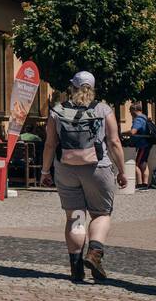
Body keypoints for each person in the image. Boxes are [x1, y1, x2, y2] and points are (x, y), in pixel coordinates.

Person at [40, 71, 127, 282]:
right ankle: (94, 252)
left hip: (66, 168)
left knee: (75, 216)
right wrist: (122, 171)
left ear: (72, 87)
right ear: (93, 87)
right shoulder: (103, 109)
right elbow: (114, 142)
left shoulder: (57, 111)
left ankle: (76, 267)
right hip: (97, 167)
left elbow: (51, 143)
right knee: (101, 214)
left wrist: (45, 171)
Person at [128, 104, 156, 188]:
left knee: (136, 164)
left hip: (142, 145)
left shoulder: (138, 120)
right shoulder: (145, 117)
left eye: (130, 110)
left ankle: (140, 184)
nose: (130, 113)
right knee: (144, 163)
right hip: (148, 144)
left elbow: (133, 132)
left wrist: (122, 133)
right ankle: (145, 183)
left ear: (134, 110)